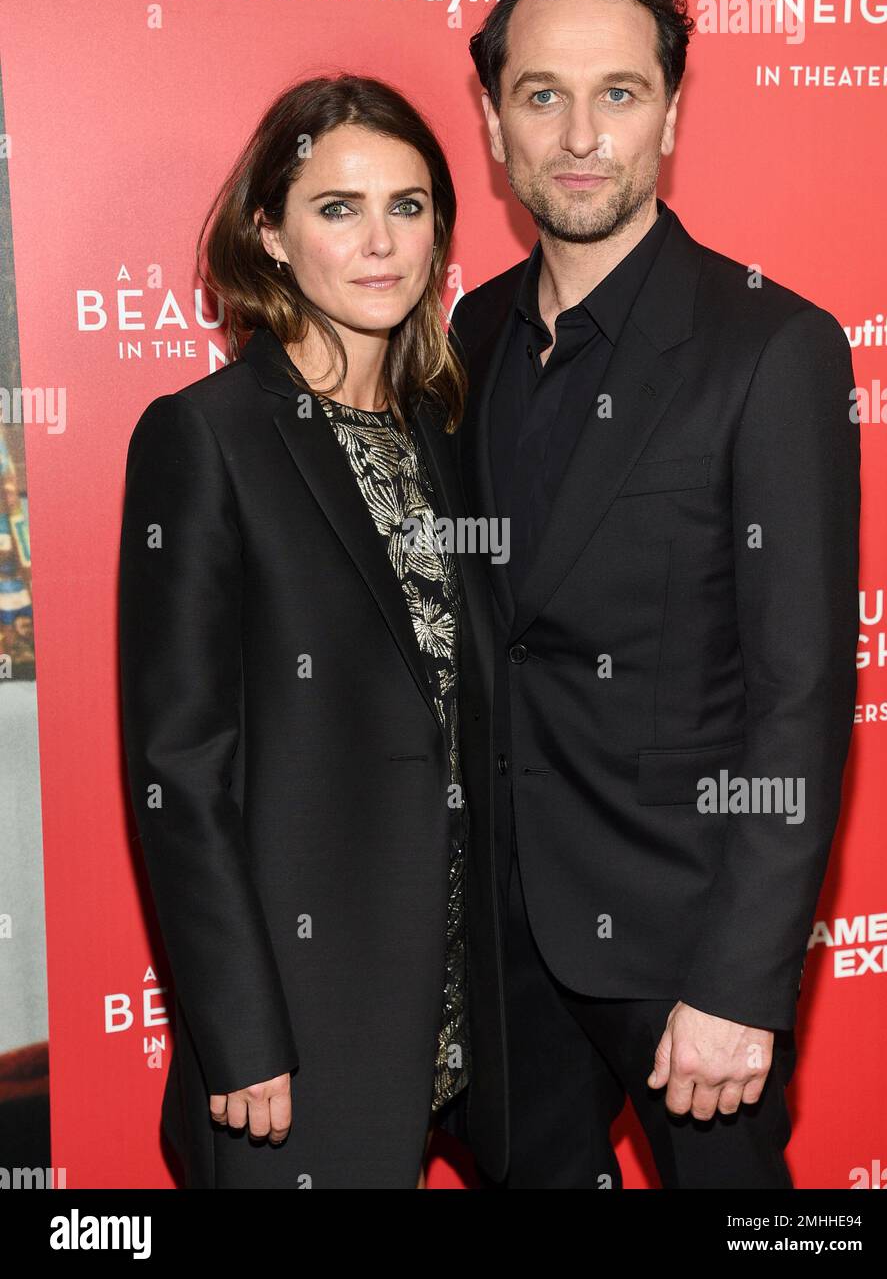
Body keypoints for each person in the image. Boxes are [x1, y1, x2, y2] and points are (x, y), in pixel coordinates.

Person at [448, 0, 861, 1188]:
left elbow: (801, 699)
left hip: (688, 956)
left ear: (671, 113)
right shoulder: (471, 333)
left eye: (618, 94)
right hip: (503, 951)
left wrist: (743, 980)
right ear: (493, 119)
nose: (580, 134)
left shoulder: (772, 348)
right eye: (542, 96)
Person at [118, 74, 495, 1188]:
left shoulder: (449, 427)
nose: (381, 242)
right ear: (270, 233)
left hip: (473, 1014)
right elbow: (179, 771)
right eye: (338, 208)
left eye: (410, 205)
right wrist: (238, 1033)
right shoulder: (207, 438)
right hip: (308, 1013)